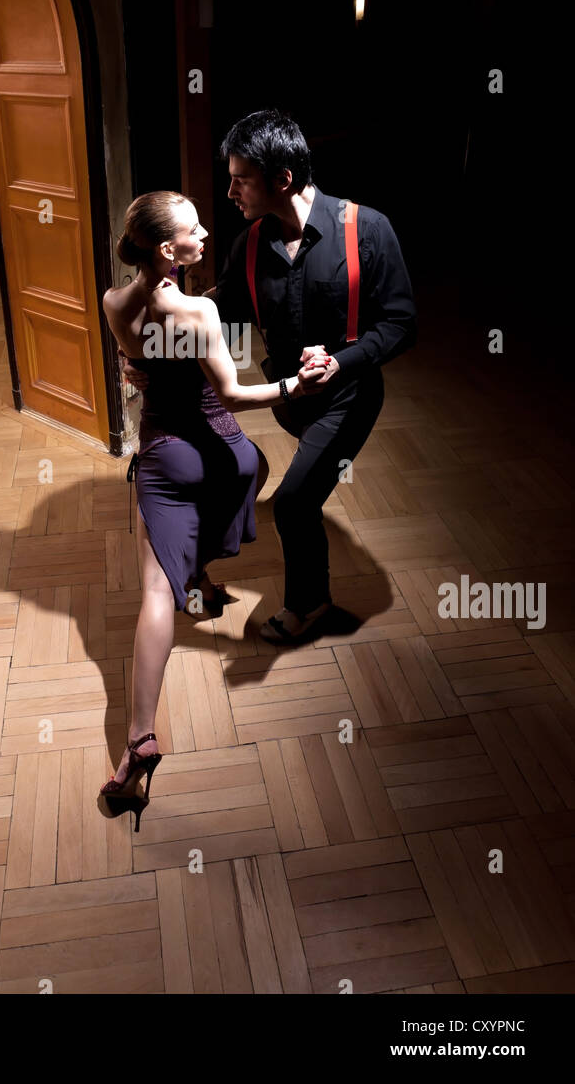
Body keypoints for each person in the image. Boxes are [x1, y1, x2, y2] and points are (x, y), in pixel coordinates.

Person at [122, 110, 417, 649]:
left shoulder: (367, 228)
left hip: (346, 397)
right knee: (259, 474)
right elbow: (220, 311)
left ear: (282, 179)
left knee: (294, 502)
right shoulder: (250, 243)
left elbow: (400, 324)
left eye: (241, 178)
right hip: (287, 398)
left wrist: (340, 362)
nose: (230, 190)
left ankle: (311, 603)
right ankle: (193, 569)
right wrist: (154, 349)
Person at [100, 189, 330, 830]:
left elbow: (139, 367)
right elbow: (230, 393)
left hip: (168, 454)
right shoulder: (197, 310)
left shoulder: (114, 301)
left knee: (154, 592)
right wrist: (295, 385)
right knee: (249, 467)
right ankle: (196, 575)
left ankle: (140, 739)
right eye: (195, 228)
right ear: (169, 249)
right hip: (227, 453)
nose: (207, 231)